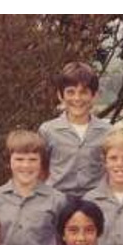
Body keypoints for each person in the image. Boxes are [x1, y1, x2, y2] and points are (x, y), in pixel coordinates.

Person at [0, 130, 69, 245]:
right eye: (19, 159)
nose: (26, 165)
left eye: (32, 160)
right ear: (9, 161)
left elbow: (64, 241)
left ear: (41, 162)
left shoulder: (57, 200)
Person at [39, 61, 112, 199]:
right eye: (70, 92)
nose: (77, 98)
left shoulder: (108, 132)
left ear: (94, 96)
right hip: (57, 200)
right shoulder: (47, 130)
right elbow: (41, 169)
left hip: (95, 201)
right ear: (60, 96)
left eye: (83, 92)